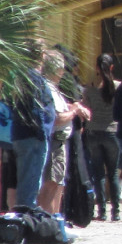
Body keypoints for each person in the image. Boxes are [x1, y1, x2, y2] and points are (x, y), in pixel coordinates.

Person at [38, 49, 90, 215]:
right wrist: (74, 112)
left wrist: (73, 107)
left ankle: (54, 219)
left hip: (59, 142)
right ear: (57, 70)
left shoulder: (52, 88)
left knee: (58, 182)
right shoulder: (49, 88)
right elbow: (58, 118)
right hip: (55, 141)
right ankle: (46, 219)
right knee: (51, 183)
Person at [10, 43, 55, 209]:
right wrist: (41, 133)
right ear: (41, 55)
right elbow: (35, 108)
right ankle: (25, 218)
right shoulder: (32, 77)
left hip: (23, 135)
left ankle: (25, 214)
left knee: (27, 179)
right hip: (32, 137)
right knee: (30, 181)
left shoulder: (20, 76)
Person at [83, 54, 122, 221]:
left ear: (97, 69)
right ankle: (116, 211)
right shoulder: (119, 87)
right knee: (113, 173)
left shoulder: (90, 91)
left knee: (98, 172)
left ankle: (102, 211)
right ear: (112, 67)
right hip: (112, 132)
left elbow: (86, 112)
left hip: (93, 132)